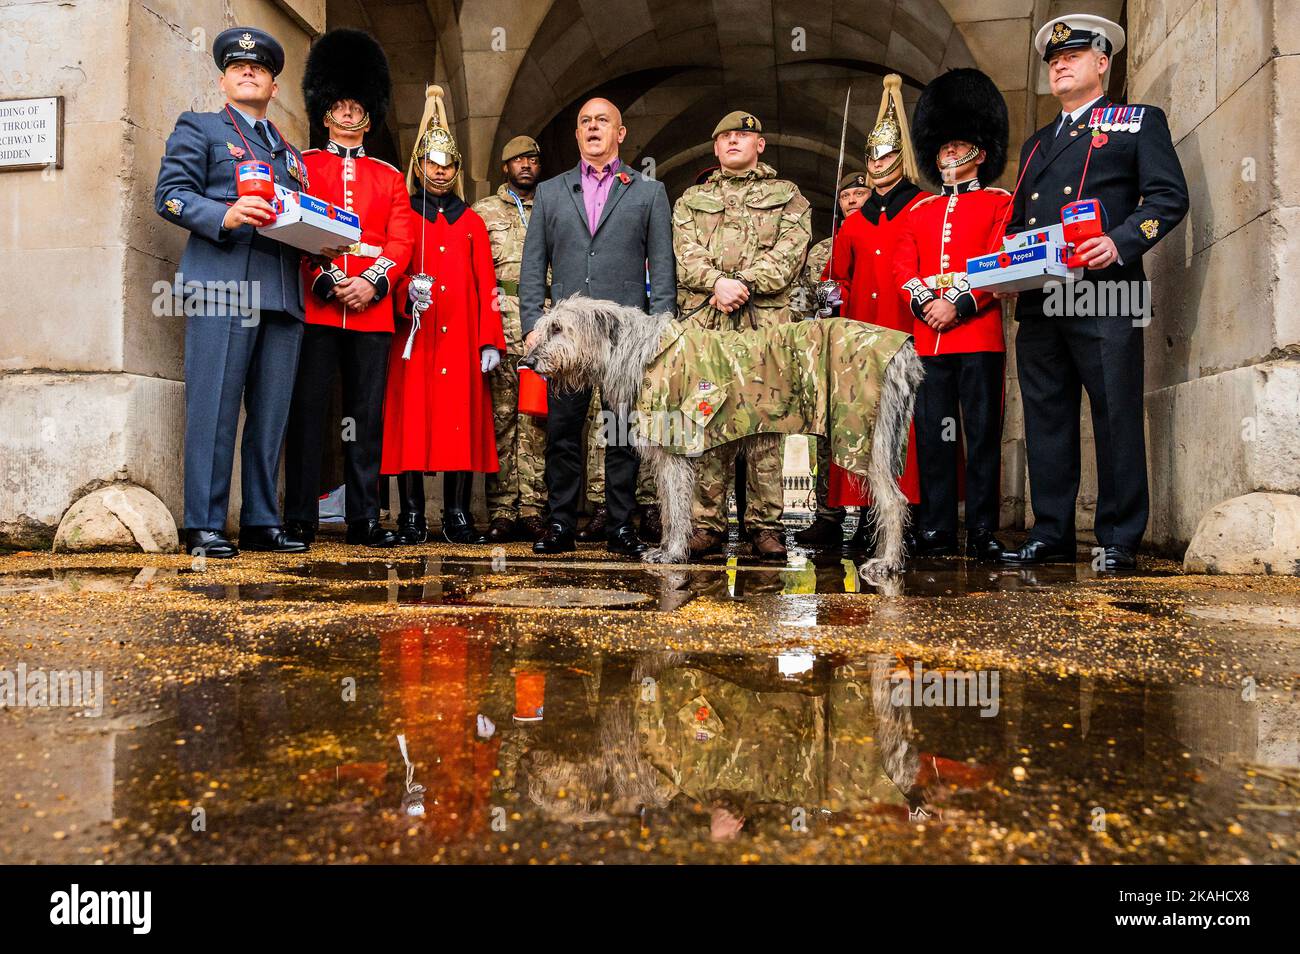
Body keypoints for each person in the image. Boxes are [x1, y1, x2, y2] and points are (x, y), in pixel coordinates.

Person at [1001, 15, 1188, 571]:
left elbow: (1167, 199)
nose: (1060, 63)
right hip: (1041, 299)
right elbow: (1015, 225)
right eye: (1054, 59)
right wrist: (1005, 269)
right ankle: (1051, 530)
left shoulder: (1137, 123)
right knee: (1047, 417)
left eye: (1074, 55)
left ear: (1102, 63)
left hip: (1105, 293)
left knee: (1114, 413)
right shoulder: (1036, 145)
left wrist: (1122, 242)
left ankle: (1118, 536)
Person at [155, 27, 315, 558]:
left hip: (284, 293)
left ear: (273, 85)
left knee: (271, 417)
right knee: (215, 408)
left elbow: (300, 218)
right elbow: (170, 197)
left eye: (260, 68)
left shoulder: (292, 156)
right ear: (224, 79)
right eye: (239, 66)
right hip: (224, 286)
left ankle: (262, 521)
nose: (249, 72)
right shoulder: (198, 128)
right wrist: (222, 214)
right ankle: (202, 522)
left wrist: (326, 241)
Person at [519, 97, 676, 557]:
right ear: (577, 135)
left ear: (620, 134)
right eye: (585, 122)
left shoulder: (648, 191)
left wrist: (661, 330)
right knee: (563, 431)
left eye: (602, 121)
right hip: (566, 338)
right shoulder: (550, 192)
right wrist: (533, 323)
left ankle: (621, 526)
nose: (593, 128)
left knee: (622, 432)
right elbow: (533, 269)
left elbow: (662, 269)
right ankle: (561, 524)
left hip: (624, 340)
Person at [284, 29, 415, 549]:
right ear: (324, 111)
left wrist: (372, 281)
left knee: (366, 418)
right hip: (320, 306)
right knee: (308, 412)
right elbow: (293, 226)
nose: (346, 113)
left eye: (355, 106)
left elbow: (402, 240)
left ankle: (365, 518)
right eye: (338, 105)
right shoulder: (304, 166)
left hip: (371, 310)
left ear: (368, 114)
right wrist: (330, 279)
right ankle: (299, 517)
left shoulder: (388, 176)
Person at [673, 111, 812, 561]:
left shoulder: (787, 196)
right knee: (707, 416)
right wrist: (716, 282)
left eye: (743, 135)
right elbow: (682, 253)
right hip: (707, 326)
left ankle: (766, 525)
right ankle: (706, 522)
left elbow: (790, 253)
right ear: (715, 149)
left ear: (760, 144)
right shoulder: (691, 199)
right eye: (725, 136)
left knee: (766, 421)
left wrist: (741, 283)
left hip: (765, 327)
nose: (733, 141)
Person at [799, 75, 930, 551]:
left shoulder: (920, 206)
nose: (878, 164)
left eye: (887, 156)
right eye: (872, 157)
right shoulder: (853, 222)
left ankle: (902, 520)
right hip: (857, 334)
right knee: (853, 419)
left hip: (902, 329)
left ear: (901, 159)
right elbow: (840, 276)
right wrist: (832, 293)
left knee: (902, 424)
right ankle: (847, 517)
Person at [892, 68, 1012, 561]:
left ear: (978, 152)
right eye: (939, 149)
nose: (944, 155)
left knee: (981, 437)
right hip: (929, 339)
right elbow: (904, 265)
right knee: (935, 436)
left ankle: (982, 529)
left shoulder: (999, 202)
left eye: (953, 146)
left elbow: (1001, 255)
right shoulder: (919, 211)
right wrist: (927, 303)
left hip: (978, 334)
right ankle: (938, 527)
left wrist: (958, 302)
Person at [380, 86, 505, 544]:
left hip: (459, 337)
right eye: (431, 163)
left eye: (447, 164)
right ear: (419, 166)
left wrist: (489, 340)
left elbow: (486, 286)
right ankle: (410, 515)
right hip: (413, 336)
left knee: (459, 422)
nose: (439, 171)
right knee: (410, 422)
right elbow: (388, 266)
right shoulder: (403, 216)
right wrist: (401, 295)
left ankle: (456, 515)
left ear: (456, 170)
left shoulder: (471, 222)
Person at [472, 136, 549, 544]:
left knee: (537, 419)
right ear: (505, 167)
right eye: (517, 159)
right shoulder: (483, 211)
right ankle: (502, 510)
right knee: (501, 418)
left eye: (533, 159)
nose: (525, 165)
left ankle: (534, 508)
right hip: (499, 320)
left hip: (542, 324)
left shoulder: (554, 206)